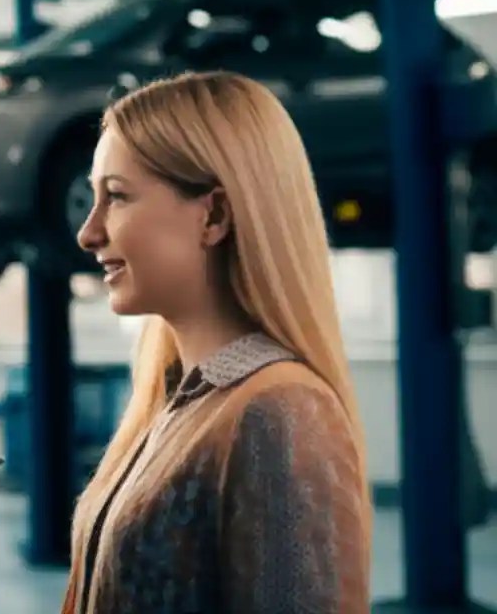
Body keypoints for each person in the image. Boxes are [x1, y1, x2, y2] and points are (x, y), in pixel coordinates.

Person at [61, 71, 373, 613]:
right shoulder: (184, 402)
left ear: (216, 215)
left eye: (116, 196)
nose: (88, 232)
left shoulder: (281, 413)